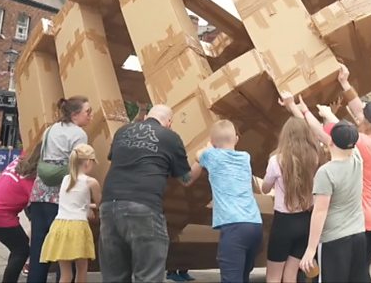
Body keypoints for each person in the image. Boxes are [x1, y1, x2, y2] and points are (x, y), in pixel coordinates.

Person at [100, 104, 197, 283]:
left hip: (109, 205)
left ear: (146, 117)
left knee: (114, 276)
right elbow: (186, 179)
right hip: (144, 206)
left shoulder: (122, 131)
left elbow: (115, 159)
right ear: (169, 123)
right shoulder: (170, 137)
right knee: (148, 276)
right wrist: (201, 159)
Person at [333, 63, 371, 266]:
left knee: (357, 269)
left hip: (366, 218)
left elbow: (339, 132)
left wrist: (321, 114)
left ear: (367, 123)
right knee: (362, 266)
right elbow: (359, 110)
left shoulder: (366, 144)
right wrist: (344, 82)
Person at [28, 96, 92, 283]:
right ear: (74, 115)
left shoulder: (51, 129)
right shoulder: (79, 134)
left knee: (39, 248)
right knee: (66, 251)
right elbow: (79, 167)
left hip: (40, 193)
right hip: (62, 198)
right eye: (87, 112)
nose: (90, 116)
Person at [192, 120, 263, 283]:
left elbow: (197, 155)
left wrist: (208, 148)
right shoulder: (245, 157)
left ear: (213, 141)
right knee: (243, 277)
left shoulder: (211, 156)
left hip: (233, 226)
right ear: (236, 139)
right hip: (254, 224)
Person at [299, 120, 368, 283]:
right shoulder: (357, 159)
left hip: (334, 240)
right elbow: (339, 138)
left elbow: (320, 211)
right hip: (358, 234)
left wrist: (310, 249)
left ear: (330, 141)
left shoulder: (326, 172)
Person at [263, 97, 323, 283]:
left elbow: (265, 188)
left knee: (273, 277)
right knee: (291, 276)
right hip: (305, 220)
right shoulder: (315, 157)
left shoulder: (277, 160)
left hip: (283, 222)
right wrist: (295, 108)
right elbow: (315, 137)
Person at [40, 144, 100, 283]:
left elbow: (72, 201)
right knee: (81, 269)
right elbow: (99, 203)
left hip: (59, 225)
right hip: (78, 227)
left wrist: (86, 206)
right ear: (88, 162)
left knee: (66, 275)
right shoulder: (91, 182)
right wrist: (90, 207)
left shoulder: (66, 179)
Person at [0, 146, 41, 283]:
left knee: (18, 248)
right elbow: (36, 202)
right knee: (21, 250)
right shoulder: (32, 179)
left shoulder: (21, 160)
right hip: (0, 213)